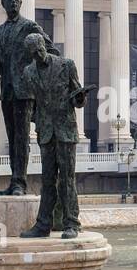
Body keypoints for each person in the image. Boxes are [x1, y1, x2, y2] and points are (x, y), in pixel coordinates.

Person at [19, 32, 90, 239]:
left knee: (67, 179)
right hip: (45, 131)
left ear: (44, 46)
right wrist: (36, 119)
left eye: (40, 50)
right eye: (34, 53)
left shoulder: (66, 65)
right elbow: (31, 104)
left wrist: (80, 99)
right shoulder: (29, 72)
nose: (39, 55)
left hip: (65, 130)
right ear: (30, 54)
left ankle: (72, 223)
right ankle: (43, 225)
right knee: (47, 179)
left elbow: (78, 99)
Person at [0, 0, 57, 195]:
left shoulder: (30, 26)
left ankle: (20, 182)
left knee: (22, 138)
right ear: (3, 4)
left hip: (25, 92)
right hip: (7, 92)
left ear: (21, 2)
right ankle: (14, 180)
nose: (13, 2)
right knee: (12, 138)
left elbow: (51, 52)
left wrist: (40, 77)